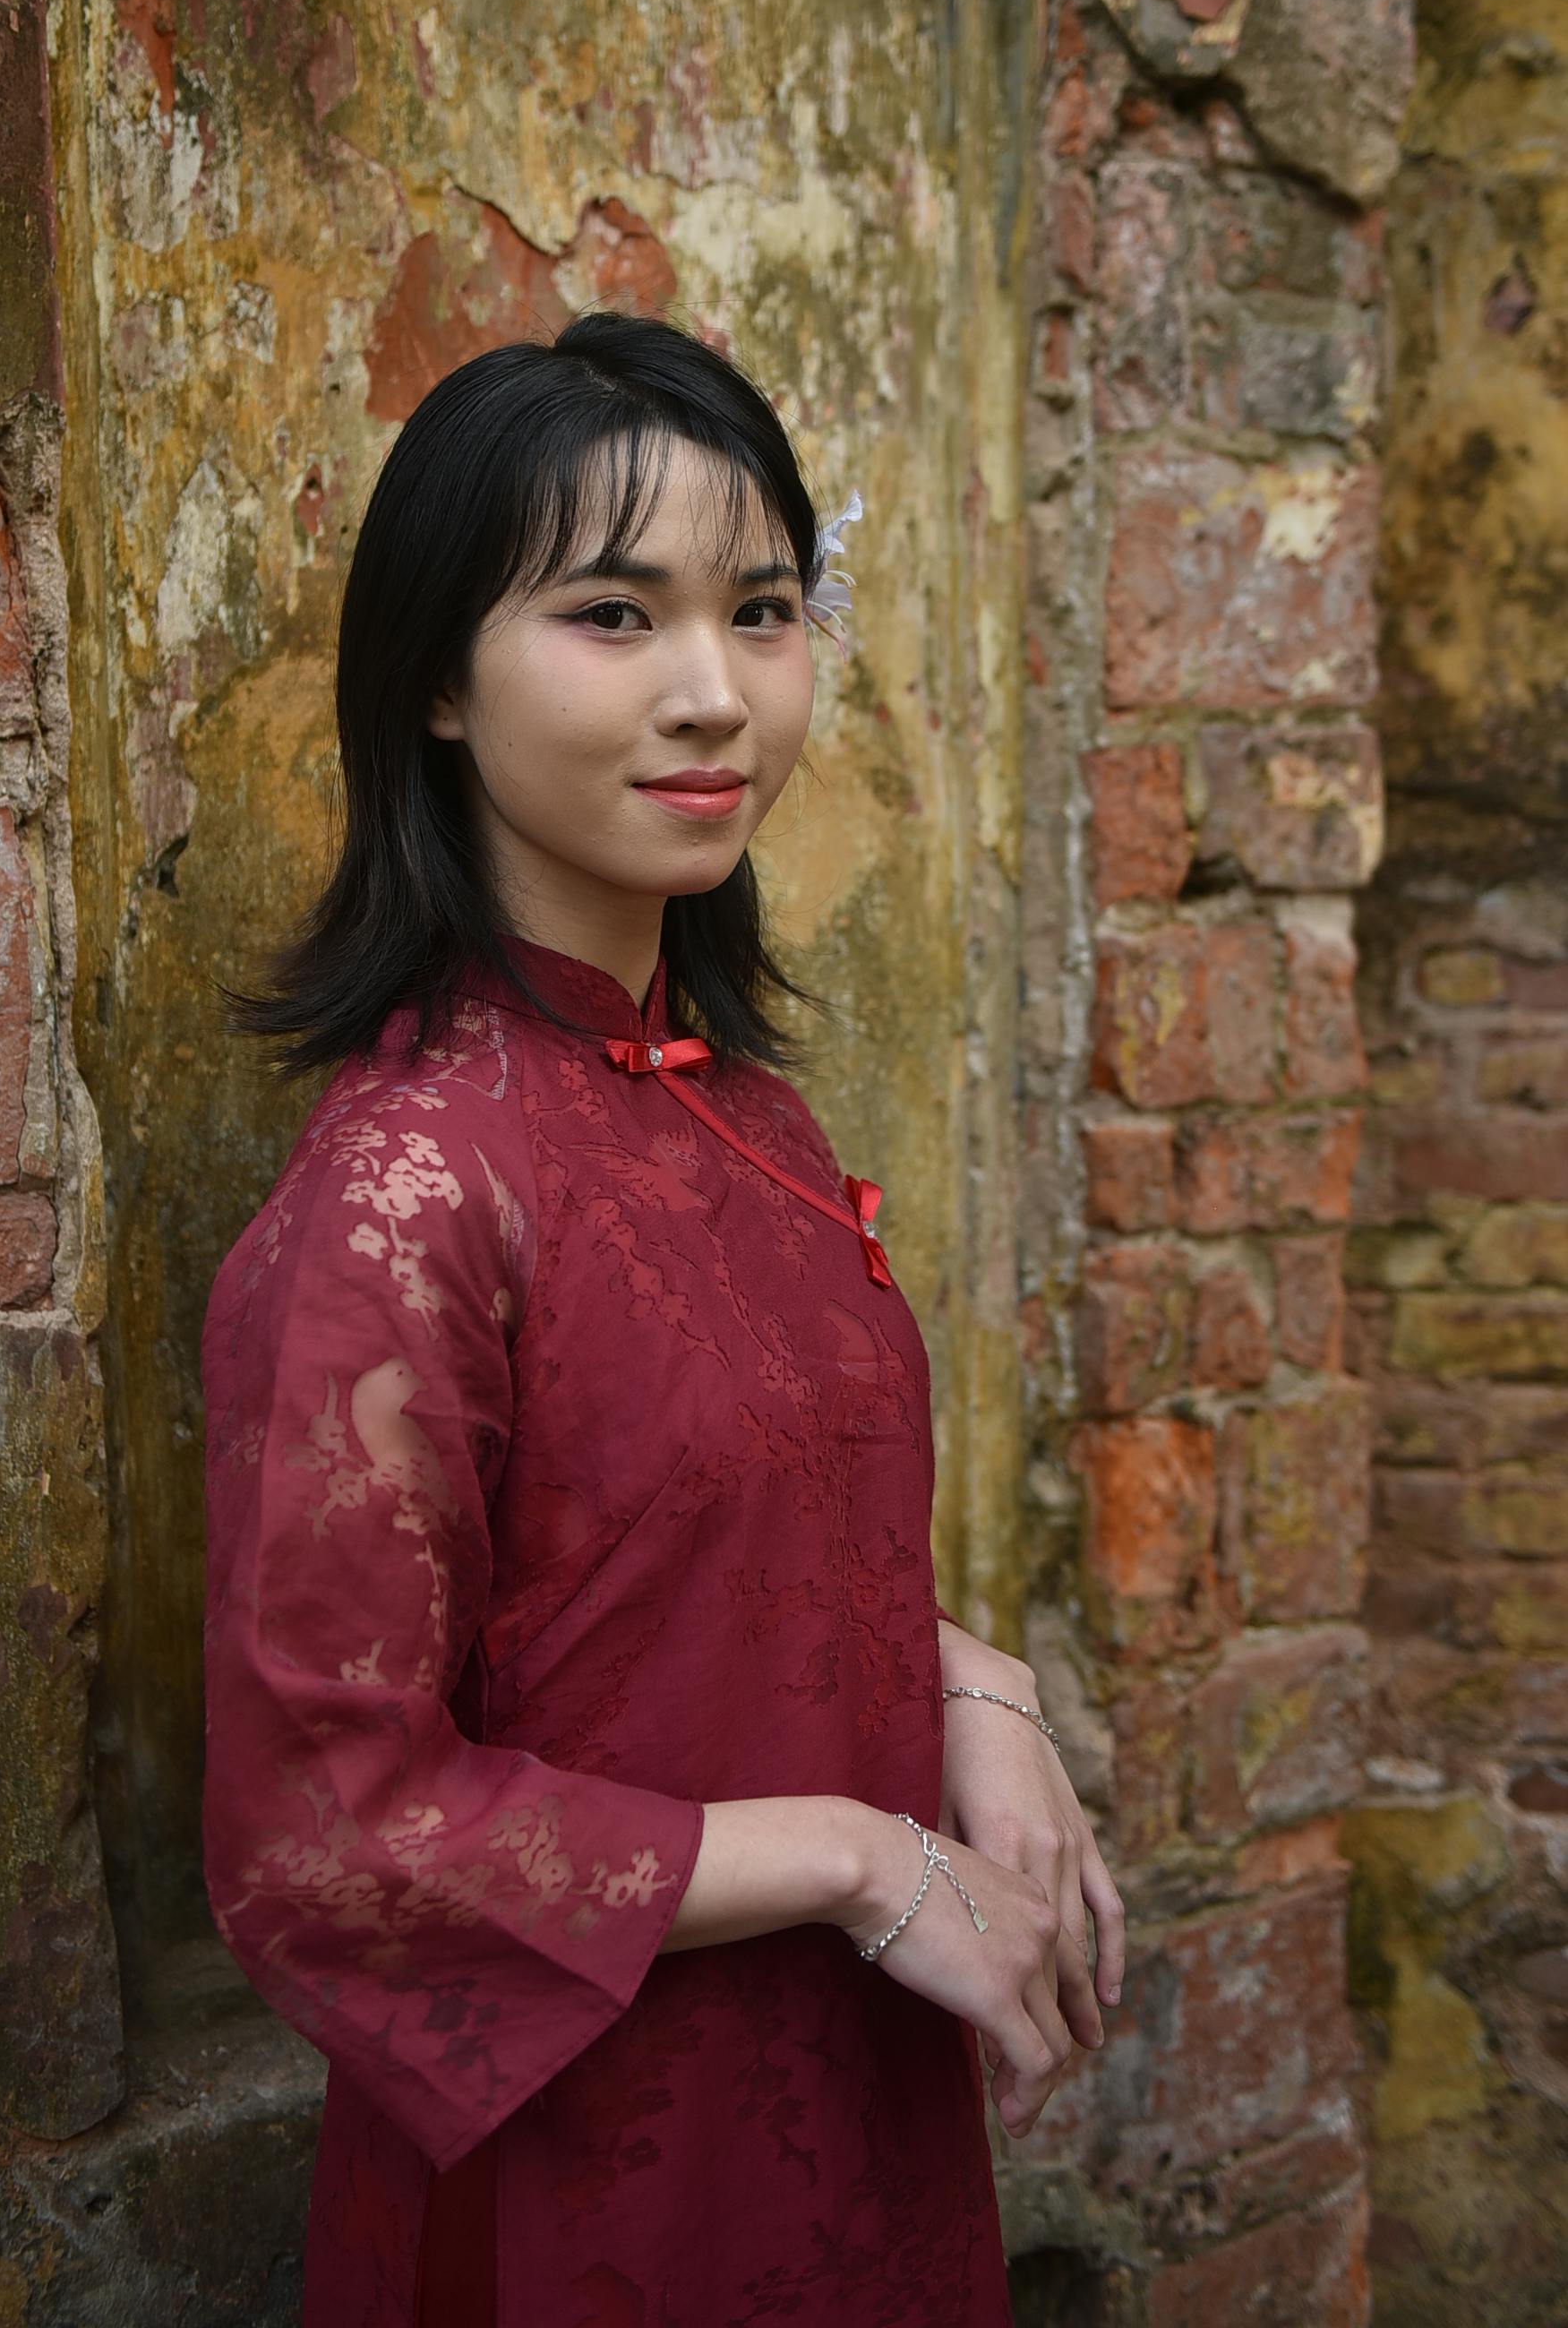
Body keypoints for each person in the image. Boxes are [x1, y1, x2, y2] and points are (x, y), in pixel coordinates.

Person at [200, 312, 1126, 2328]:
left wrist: (986, 1696)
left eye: (760, 608)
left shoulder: (743, 1115)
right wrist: (860, 1863)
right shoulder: (407, 1191)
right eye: (612, 615)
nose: (715, 695)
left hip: (862, 2103)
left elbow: (701, 1544)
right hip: (585, 2174)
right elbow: (322, 1830)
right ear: (438, 677)